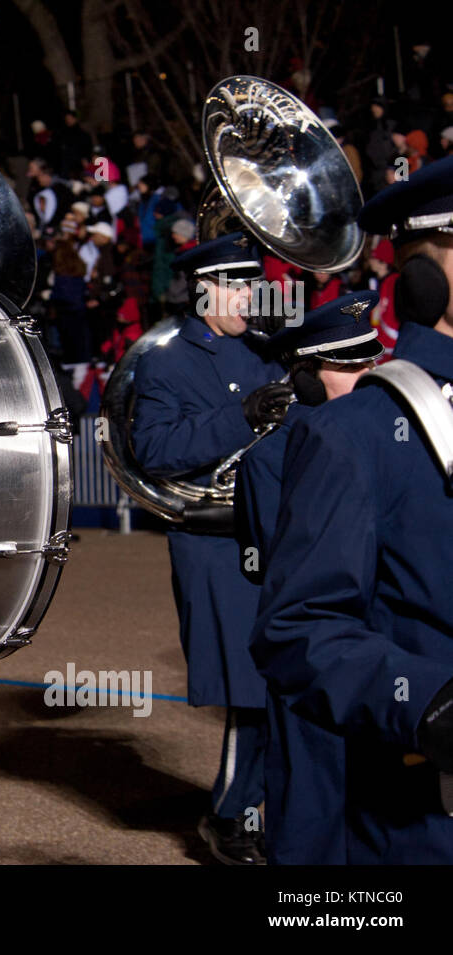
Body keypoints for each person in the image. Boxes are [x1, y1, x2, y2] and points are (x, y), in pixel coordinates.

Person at [252, 156, 453, 862]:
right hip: (426, 825)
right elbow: (298, 629)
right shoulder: (355, 434)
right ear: (426, 275)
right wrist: (429, 701)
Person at [132, 232, 298, 865]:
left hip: (280, 534)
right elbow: (156, 450)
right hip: (218, 541)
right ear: (204, 290)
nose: (249, 298)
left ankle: (274, 811)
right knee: (250, 693)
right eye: (235, 286)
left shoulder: (267, 352)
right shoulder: (167, 360)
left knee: (288, 681)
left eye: (253, 285)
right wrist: (242, 418)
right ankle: (231, 817)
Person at [234, 291, 382, 864]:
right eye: (349, 366)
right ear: (308, 379)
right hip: (316, 662)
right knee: (311, 821)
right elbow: (287, 570)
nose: (368, 373)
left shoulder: (388, 435)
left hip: (380, 654)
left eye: (370, 360)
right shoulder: (270, 461)